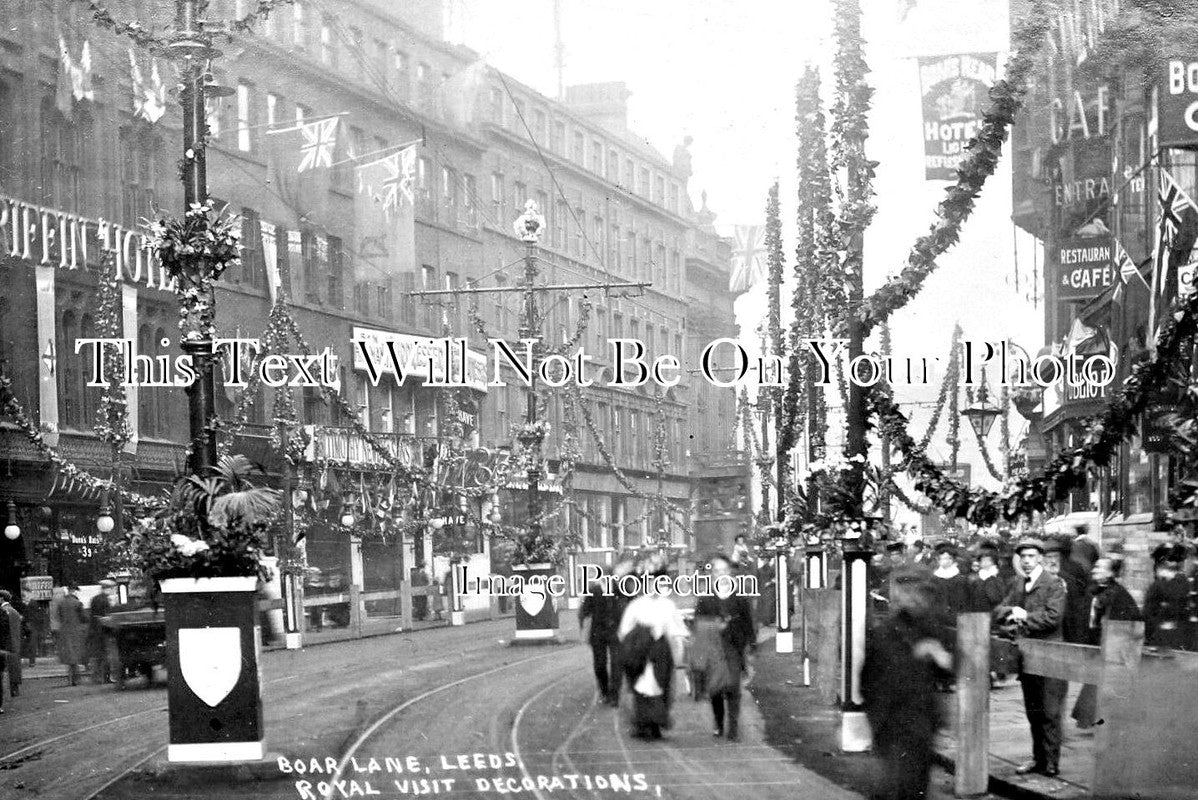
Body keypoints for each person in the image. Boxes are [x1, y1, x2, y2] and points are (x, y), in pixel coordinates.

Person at [861, 566, 953, 800]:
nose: (912, 597)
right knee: (892, 788)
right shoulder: (882, 633)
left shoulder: (932, 630)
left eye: (917, 591)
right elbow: (867, 680)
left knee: (914, 787)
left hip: (920, 726)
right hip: (890, 726)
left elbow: (950, 669)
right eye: (905, 591)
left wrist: (942, 659)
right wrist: (875, 721)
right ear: (896, 594)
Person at [994, 537, 1066, 778]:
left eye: (1031, 557)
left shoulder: (1054, 584)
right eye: (1023, 557)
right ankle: (1038, 759)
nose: (1026, 561)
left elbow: (1053, 618)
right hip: (1027, 657)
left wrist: (1024, 616)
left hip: (1050, 656)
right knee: (1033, 711)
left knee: (1050, 712)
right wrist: (1011, 612)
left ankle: (1051, 762)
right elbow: (999, 610)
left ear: (1041, 559)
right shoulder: (1017, 584)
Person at [617, 555, 687, 740]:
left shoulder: (668, 605)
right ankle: (642, 724)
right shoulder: (636, 606)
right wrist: (635, 643)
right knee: (640, 688)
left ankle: (656, 723)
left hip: (661, 651)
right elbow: (624, 630)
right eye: (650, 581)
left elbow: (675, 630)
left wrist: (678, 653)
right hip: (640, 651)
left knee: (661, 686)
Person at [692, 554, 756, 741]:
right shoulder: (706, 599)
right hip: (714, 650)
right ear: (712, 574)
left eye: (724, 570)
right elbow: (698, 623)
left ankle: (733, 728)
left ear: (730, 573)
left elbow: (748, 623)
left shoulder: (740, 597)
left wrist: (750, 644)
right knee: (717, 689)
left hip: (733, 649)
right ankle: (719, 723)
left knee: (734, 687)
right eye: (717, 571)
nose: (721, 574)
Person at [1072, 556, 1140, 730]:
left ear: (1111, 573)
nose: (1095, 570)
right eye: (1095, 567)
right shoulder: (1094, 591)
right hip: (1097, 644)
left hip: (1113, 647)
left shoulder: (1118, 595)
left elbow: (1125, 622)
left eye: (1100, 568)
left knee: (1105, 685)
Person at [579, 560, 632, 707]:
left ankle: (614, 695)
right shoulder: (593, 591)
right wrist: (582, 627)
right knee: (599, 665)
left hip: (616, 631)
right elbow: (584, 611)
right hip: (598, 633)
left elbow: (629, 606)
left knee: (617, 663)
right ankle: (604, 691)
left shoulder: (619, 588)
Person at [1144, 545, 1191, 649]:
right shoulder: (1184, 582)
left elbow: (1148, 614)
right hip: (1178, 638)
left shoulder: (1160, 585)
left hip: (1161, 639)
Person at [57, 585, 87, 686]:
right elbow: (83, 618)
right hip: (76, 631)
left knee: (69, 655)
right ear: (74, 591)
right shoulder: (77, 603)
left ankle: (70, 678)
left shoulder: (61, 603)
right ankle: (76, 679)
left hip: (65, 631)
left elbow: (60, 617)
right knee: (75, 654)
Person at [88, 579, 116, 684]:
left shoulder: (95, 599)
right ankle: (106, 677)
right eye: (112, 588)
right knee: (106, 654)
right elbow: (107, 616)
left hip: (95, 630)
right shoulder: (105, 600)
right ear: (108, 589)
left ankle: (96, 677)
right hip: (104, 630)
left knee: (97, 654)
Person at [0, 591, 23, 699]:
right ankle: (15, 690)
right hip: (15, 643)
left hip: (6, 644)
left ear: (1, 599)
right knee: (14, 668)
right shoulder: (14, 611)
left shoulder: (3, 611)